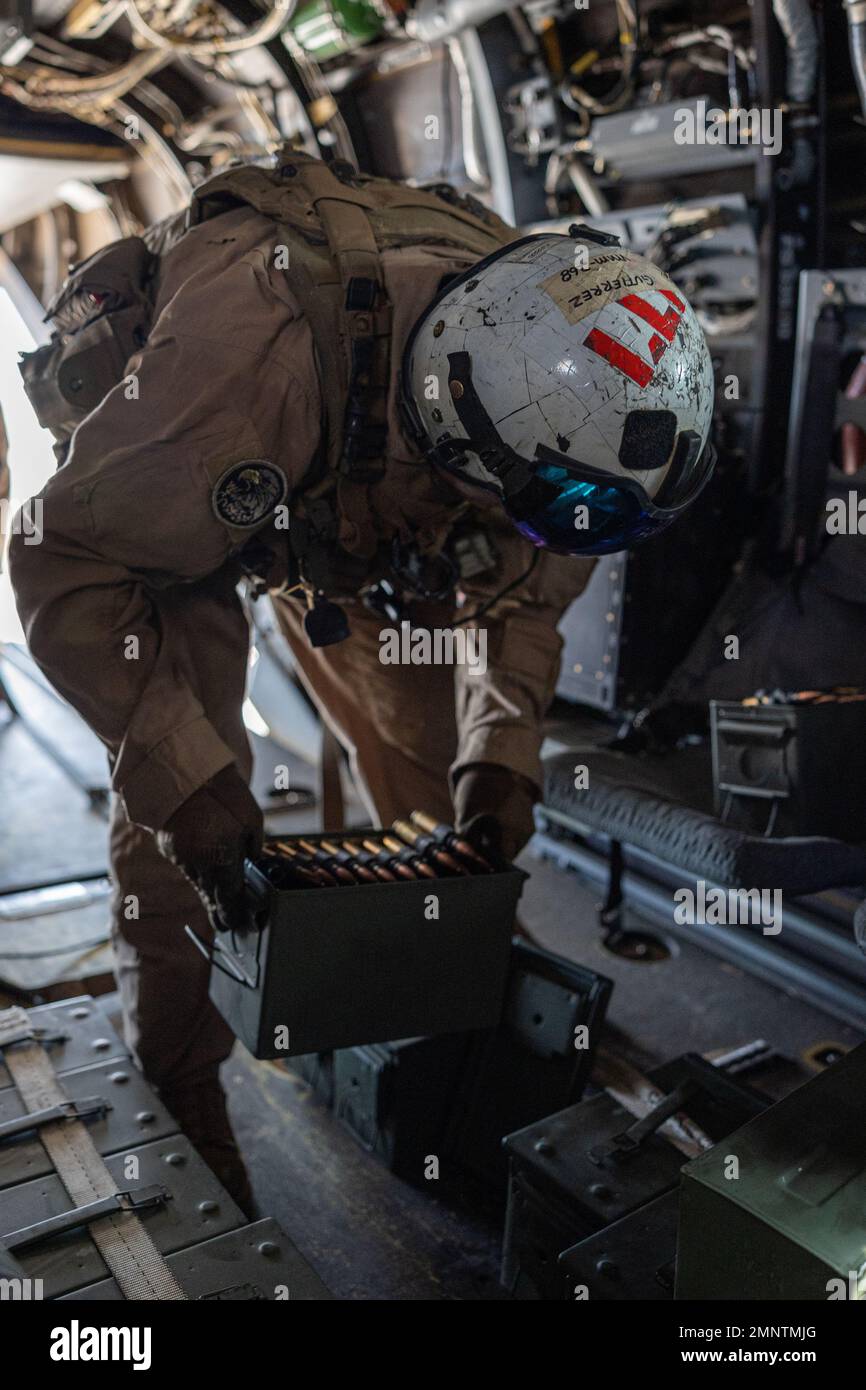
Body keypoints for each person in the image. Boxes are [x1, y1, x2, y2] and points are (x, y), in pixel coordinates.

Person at [9, 151, 714, 1208]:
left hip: (355, 498)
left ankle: (452, 976)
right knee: (184, 806)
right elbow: (60, 558)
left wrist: (501, 759)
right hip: (176, 499)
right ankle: (184, 1089)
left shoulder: (579, 423)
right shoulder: (245, 370)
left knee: (439, 771)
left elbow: (521, 595)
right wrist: (185, 778)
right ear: (457, 436)